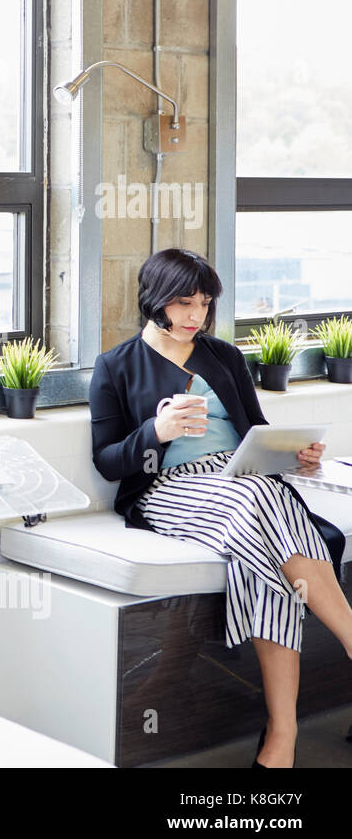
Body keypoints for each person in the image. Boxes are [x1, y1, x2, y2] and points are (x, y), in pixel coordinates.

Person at [89, 247, 351, 769]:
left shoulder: (224, 356)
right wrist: (156, 433)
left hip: (244, 483)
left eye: (204, 304)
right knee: (263, 501)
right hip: (169, 490)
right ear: (154, 300)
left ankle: (283, 733)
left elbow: (257, 430)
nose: (195, 316)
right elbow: (108, 462)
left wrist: (294, 455)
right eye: (184, 304)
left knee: (260, 523)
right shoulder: (116, 366)